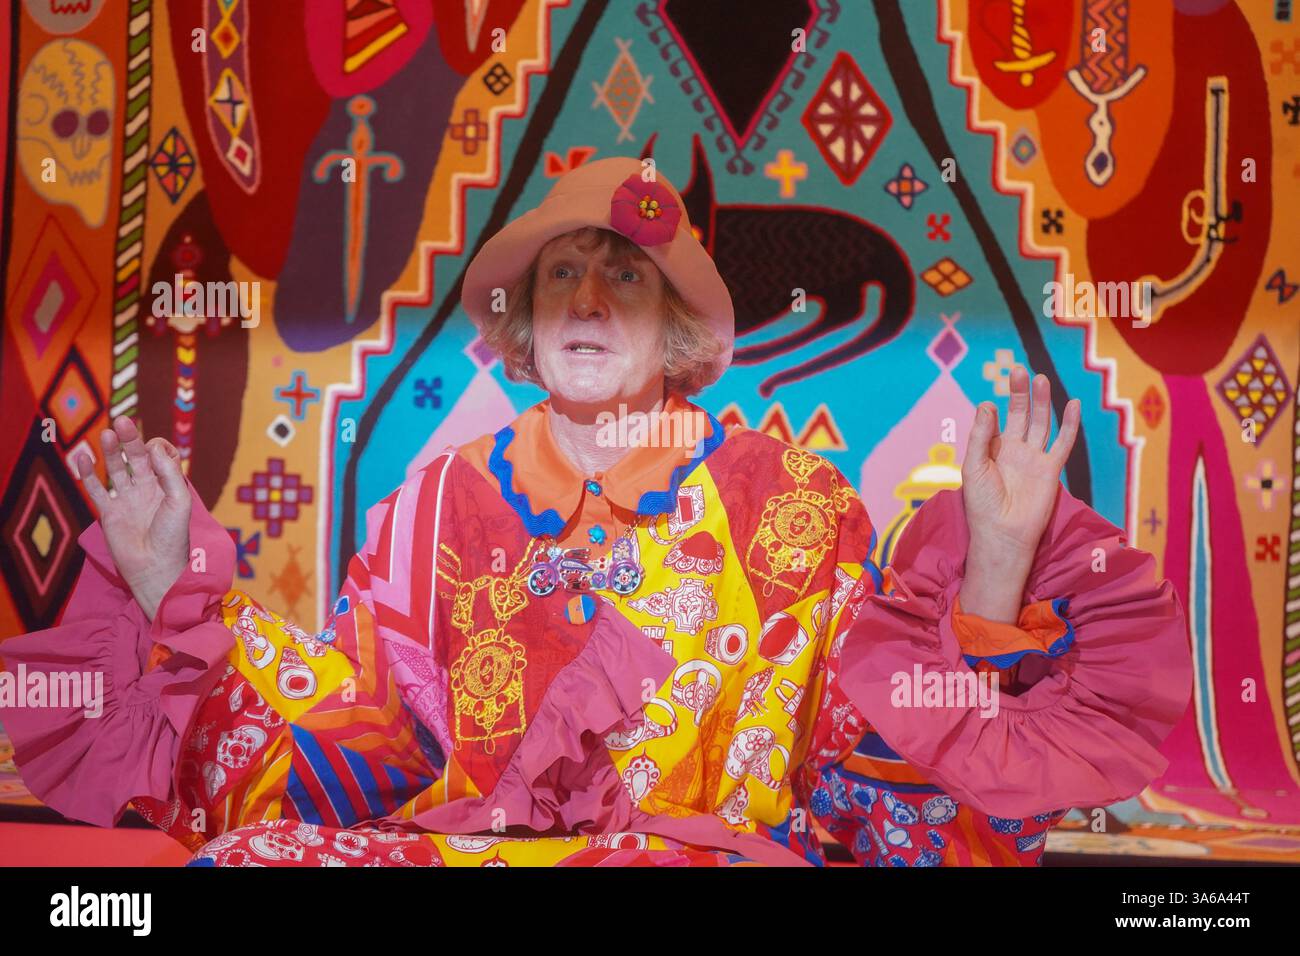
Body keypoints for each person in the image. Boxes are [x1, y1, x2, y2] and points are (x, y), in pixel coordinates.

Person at [0, 157, 1192, 867]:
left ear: (674, 328)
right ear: (523, 320)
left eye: (625, 272)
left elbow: (861, 782)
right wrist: (169, 587)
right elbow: (357, 749)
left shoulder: (787, 501)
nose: (587, 296)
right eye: (560, 273)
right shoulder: (435, 502)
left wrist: (991, 568)